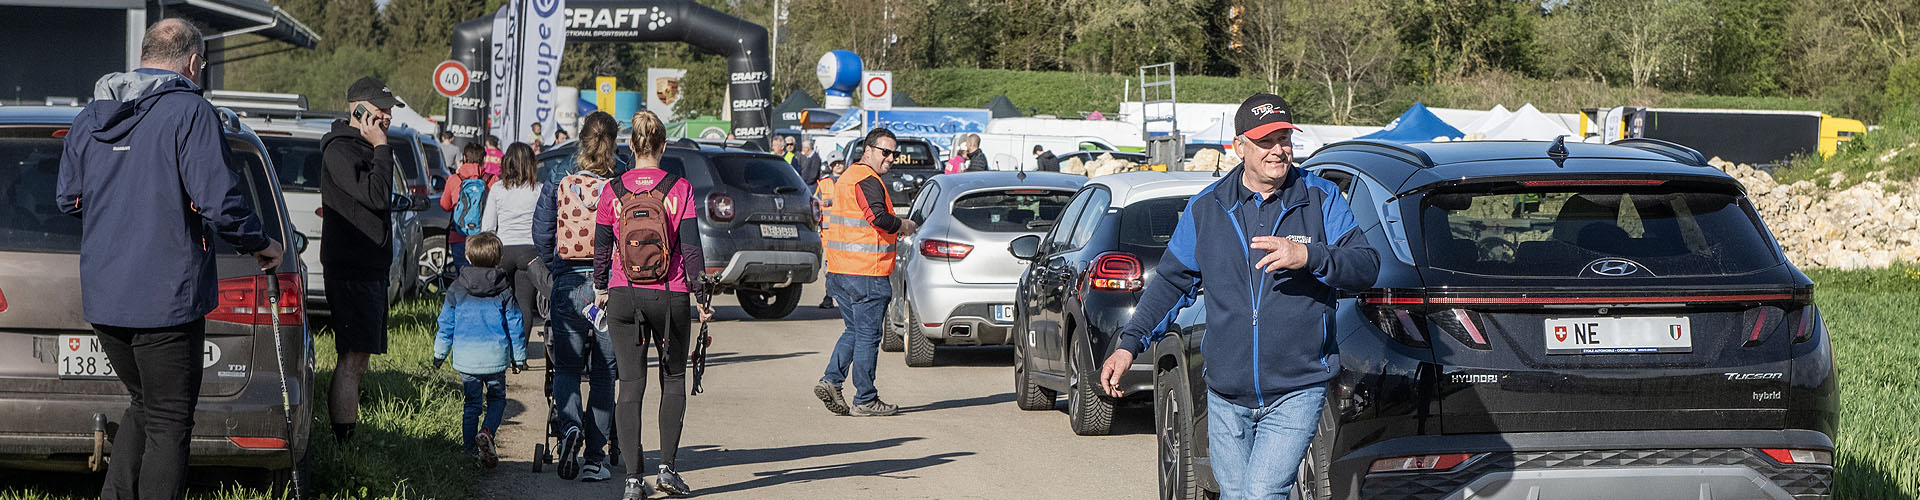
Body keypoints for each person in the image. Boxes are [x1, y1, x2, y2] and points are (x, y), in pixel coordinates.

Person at [1099, 94, 1380, 500]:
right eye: (1267, 141)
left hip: (1298, 386)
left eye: (1285, 138)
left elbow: (1366, 266)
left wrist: (1308, 255)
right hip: (1225, 392)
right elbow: (1171, 284)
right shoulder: (1206, 208)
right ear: (1240, 147)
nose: (1279, 150)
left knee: (1262, 493)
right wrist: (1129, 345)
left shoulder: (1322, 199)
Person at [54, 19, 284, 500]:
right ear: (194, 61)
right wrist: (262, 244)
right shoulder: (190, 112)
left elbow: (68, 200)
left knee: (146, 403)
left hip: (105, 299)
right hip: (166, 301)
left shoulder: (88, 119)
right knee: (169, 421)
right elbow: (220, 203)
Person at [594, 109, 713, 499]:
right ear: (663, 146)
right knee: (673, 378)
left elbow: (601, 248)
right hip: (671, 292)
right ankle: (667, 469)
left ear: (631, 145)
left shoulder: (612, 191)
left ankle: (631, 481)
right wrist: (701, 297)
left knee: (630, 384)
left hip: (623, 293)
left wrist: (600, 288)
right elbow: (692, 249)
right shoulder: (680, 188)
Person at [536, 111, 625, 482]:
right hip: (610, 286)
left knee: (568, 366)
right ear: (614, 142)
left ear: (581, 140)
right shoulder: (623, 182)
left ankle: (569, 427)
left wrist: (555, 267)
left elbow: (542, 234)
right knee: (605, 373)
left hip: (568, 282)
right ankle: (594, 458)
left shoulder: (559, 177)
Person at [321, 75, 404, 444]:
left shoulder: (364, 148)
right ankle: (344, 443)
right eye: (380, 110)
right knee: (352, 358)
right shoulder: (341, 150)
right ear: (358, 109)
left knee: (360, 358)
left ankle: (347, 437)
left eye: (389, 111)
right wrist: (382, 147)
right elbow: (376, 196)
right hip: (351, 269)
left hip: (369, 266)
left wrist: (379, 148)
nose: (387, 117)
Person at [814, 128, 917, 418]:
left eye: (894, 153)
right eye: (886, 152)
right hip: (866, 274)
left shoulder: (847, 177)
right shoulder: (867, 180)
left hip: (840, 271)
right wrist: (904, 226)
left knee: (855, 330)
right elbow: (879, 218)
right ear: (868, 150)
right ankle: (865, 398)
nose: (891, 158)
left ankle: (831, 380)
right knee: (869, 335)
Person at [430, 232, 527, 469]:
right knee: (496, 399)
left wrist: (439, 355)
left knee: (471, 404)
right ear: (499, 258)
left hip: (467, 359)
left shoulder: (456, 288)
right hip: (494, 357)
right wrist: (519, 357)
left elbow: (446, 324)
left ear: (468, 257)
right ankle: (487, 432)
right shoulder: (504, 289)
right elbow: (515, 323)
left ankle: (469, 450)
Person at [481, 143, 543, 340]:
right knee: (524, 304)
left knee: (500, 303)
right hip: (530, 252)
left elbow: (488, 227)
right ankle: (520, 355)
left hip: (503, 250)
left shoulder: (498, 189)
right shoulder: (538, 190)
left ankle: (503, 347)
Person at [439, 142, 495, 269]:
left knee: (463, 278)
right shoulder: (492, 180)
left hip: (459, 235)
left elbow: (445, 205)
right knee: (484, 276)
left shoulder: (454, 179)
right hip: (484, 238)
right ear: (483, 159)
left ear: (464, 158)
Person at [814, 153, 847, 310]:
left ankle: (843, 299)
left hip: (846, 234)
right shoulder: (823, 184)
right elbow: (814, 204)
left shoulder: (849, 182)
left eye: (840, 162)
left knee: (845, 268)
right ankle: (829, 297)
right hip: (828, 236)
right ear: (830, 165)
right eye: (835, 163)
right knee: (829, 269)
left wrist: (833, 201)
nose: (838, 165)